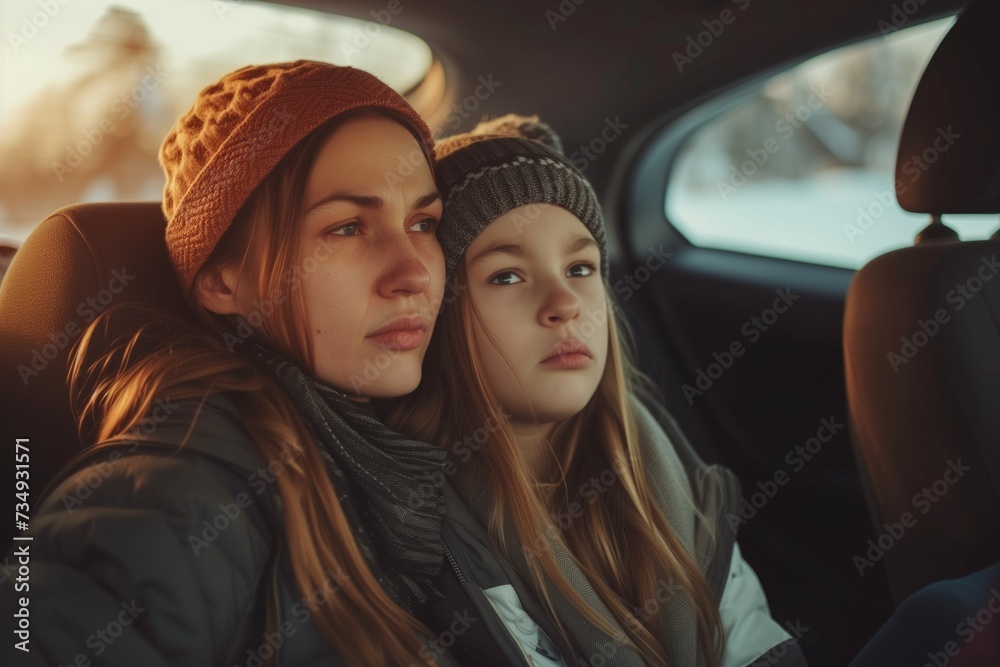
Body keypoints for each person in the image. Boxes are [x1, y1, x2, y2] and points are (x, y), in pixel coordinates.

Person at [1, 63, 558, 667]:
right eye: (347, 228)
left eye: (423, 223)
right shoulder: (190, 484)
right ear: (223, 281)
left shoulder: (399, 455)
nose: (416, 274)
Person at [381, 116, 808, 667]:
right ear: (435, 318)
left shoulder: (671, 478)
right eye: (507, 276)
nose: (565, 302)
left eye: (581, 267)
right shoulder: (422, 543)